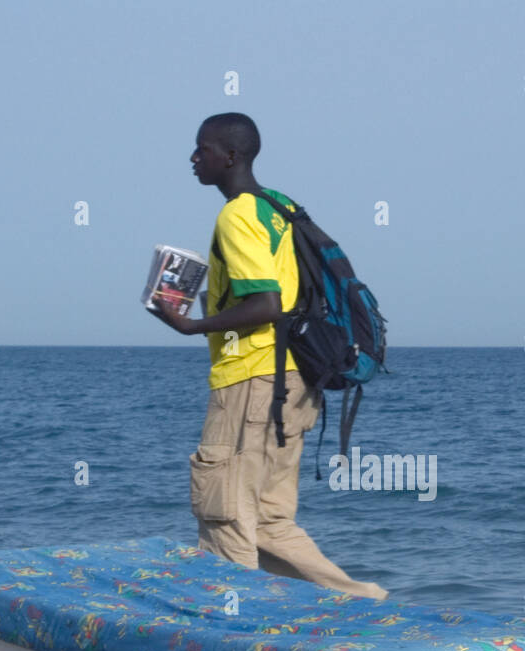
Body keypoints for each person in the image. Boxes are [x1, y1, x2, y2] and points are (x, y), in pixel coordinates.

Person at [150, 112, 386, 599]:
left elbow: (266, 304)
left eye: (203, 149)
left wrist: (191, 324)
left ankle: (231, 644)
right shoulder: (279, 206)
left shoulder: (237, 214)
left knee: (225, 516)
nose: (194, 158)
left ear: (230, 156)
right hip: (295, 381)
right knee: (269, 523)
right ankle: (359, 604)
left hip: (250, 381)